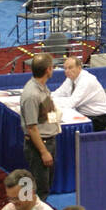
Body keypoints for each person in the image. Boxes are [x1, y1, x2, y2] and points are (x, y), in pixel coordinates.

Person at [20, 52, 61, 200]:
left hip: (48, 140)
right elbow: (32, 128)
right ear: (48, 70)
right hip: (39, 146)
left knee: (46, 185)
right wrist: (43, 152)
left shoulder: (42, 87)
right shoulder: (31, 95)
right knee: (40, 190)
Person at [53, 55, 106, 131]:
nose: (67, 71)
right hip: (82, 115)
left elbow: (71, 103)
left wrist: (50, 102)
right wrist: (45, 97)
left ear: (79, 68)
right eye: (65, 68)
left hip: (97, 119)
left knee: (66, 128)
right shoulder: (70, 78)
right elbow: (59, 93)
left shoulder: (86, 80)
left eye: (70, 68)